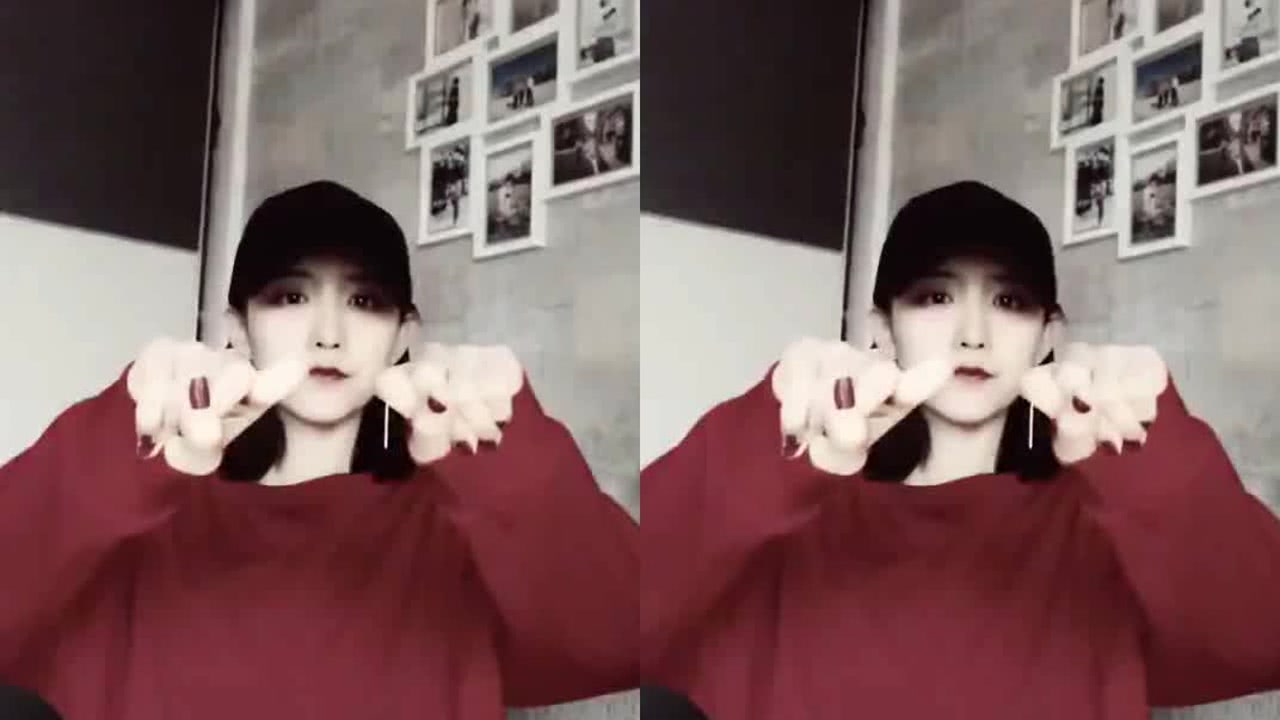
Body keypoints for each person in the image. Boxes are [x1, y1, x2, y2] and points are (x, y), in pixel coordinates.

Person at [0, 180, 638, 719]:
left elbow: (624, 635)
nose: (328, 335)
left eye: (363, 301)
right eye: (290, 297)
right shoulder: (135, 527)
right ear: (237, 330)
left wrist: (503, 454)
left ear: (403, 337)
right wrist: (120, 439)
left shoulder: (463, 527)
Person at [641, 180, 1280, 718]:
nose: (973, 335)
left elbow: (1261, 637)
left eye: (1009, 301)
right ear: (882, 329)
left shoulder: (1109, 528)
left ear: (1047, 335)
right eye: (936, 297)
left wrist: (1148, 454)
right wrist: (766, 438)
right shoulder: (786, 527)